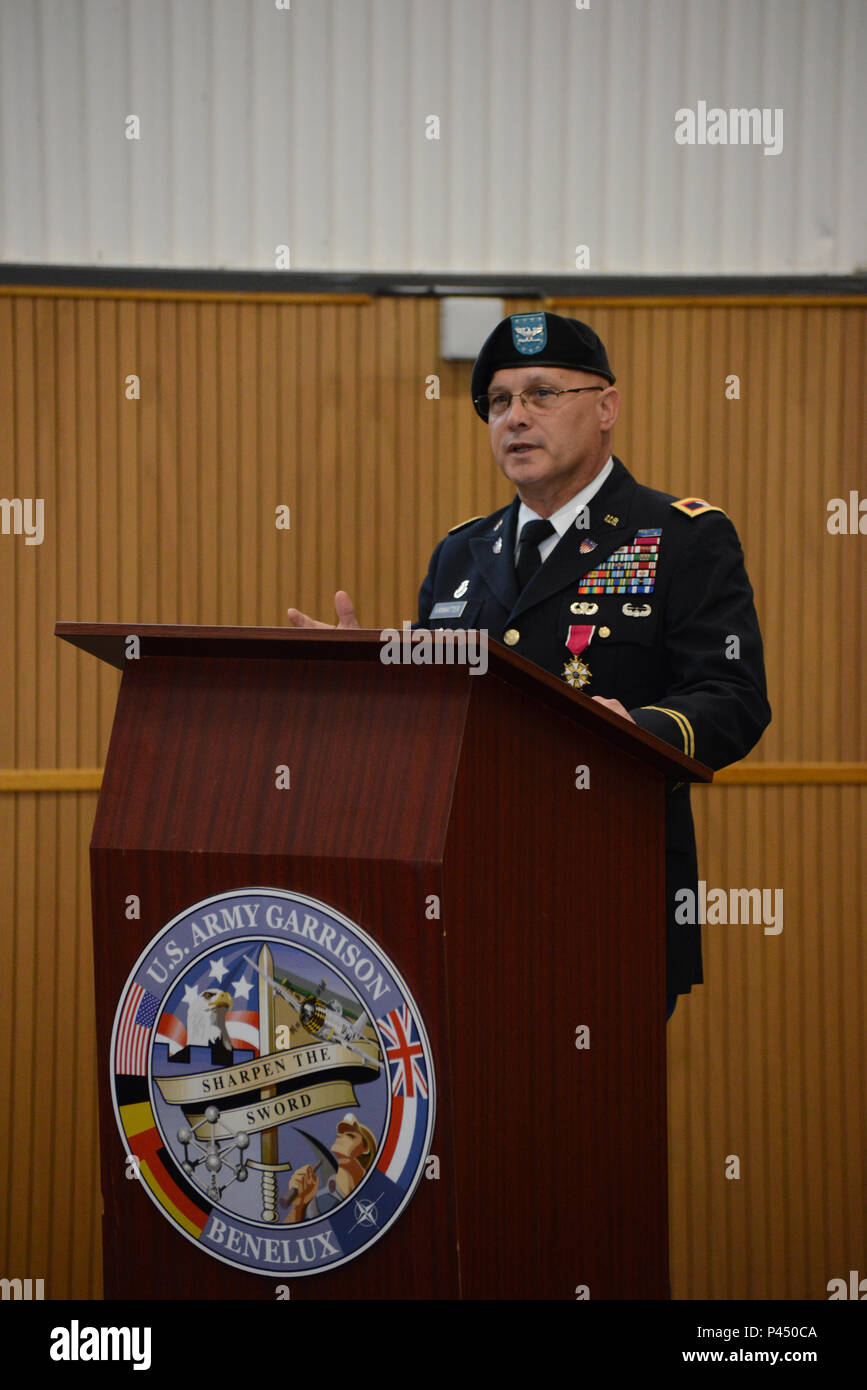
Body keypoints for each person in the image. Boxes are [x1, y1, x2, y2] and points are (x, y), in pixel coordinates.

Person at [287, 312, 771, 1018]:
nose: (515, 417)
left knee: (590, 1120)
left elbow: (733, 698)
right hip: (464, 896)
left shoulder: (677, 537)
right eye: (500, 401)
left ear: (605, 408)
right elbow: (438, 723)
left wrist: (633, 732)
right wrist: (368, 689)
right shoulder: (461, 552)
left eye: (542, 393)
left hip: (606, 897)